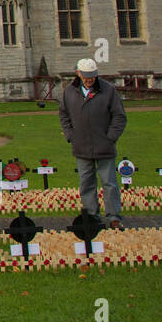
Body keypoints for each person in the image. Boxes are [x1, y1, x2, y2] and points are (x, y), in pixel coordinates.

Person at [59, 57, 127, 229]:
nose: (89, 80)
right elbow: (64, 115)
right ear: (78, 74)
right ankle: (91, 216)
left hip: (104, 146)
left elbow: (119, 116)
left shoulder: (108, 90)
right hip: (81, 145)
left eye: (92, 76)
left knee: (109, 183)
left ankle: (114, 217)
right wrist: (71, 136)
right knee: (86, 183)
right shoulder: (69, 91)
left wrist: (110, 137)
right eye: (86, 76)